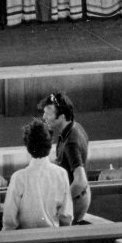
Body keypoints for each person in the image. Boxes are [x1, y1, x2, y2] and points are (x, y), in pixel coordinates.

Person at [2, 120, 73, 230]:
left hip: (24, 239)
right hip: (54, 237)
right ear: (50, 145)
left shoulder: (19, 177)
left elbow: (9, 220)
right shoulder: (61, 174)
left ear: (28, 147)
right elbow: (66, 215)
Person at [38, 92, 91, 221]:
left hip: (76, 199)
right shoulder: (74, 127)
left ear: (61, 116)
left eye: (48, 113)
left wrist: (63, 203)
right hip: (80, 195)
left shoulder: (70, 142)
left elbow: (80, 181)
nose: (44, 117)